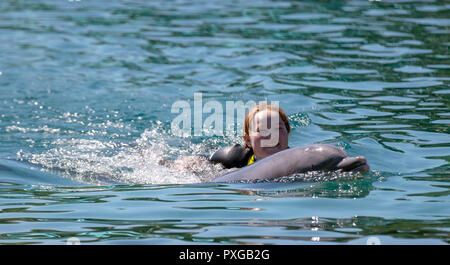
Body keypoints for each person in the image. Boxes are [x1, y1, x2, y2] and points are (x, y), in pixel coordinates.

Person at [166, 104, 369, 182]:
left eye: (278, 130)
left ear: (288, 134)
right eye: (262, 131)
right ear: (247, 140)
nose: (271, 137)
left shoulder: (300, 159)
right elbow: (198, 165)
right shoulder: (233, 157)